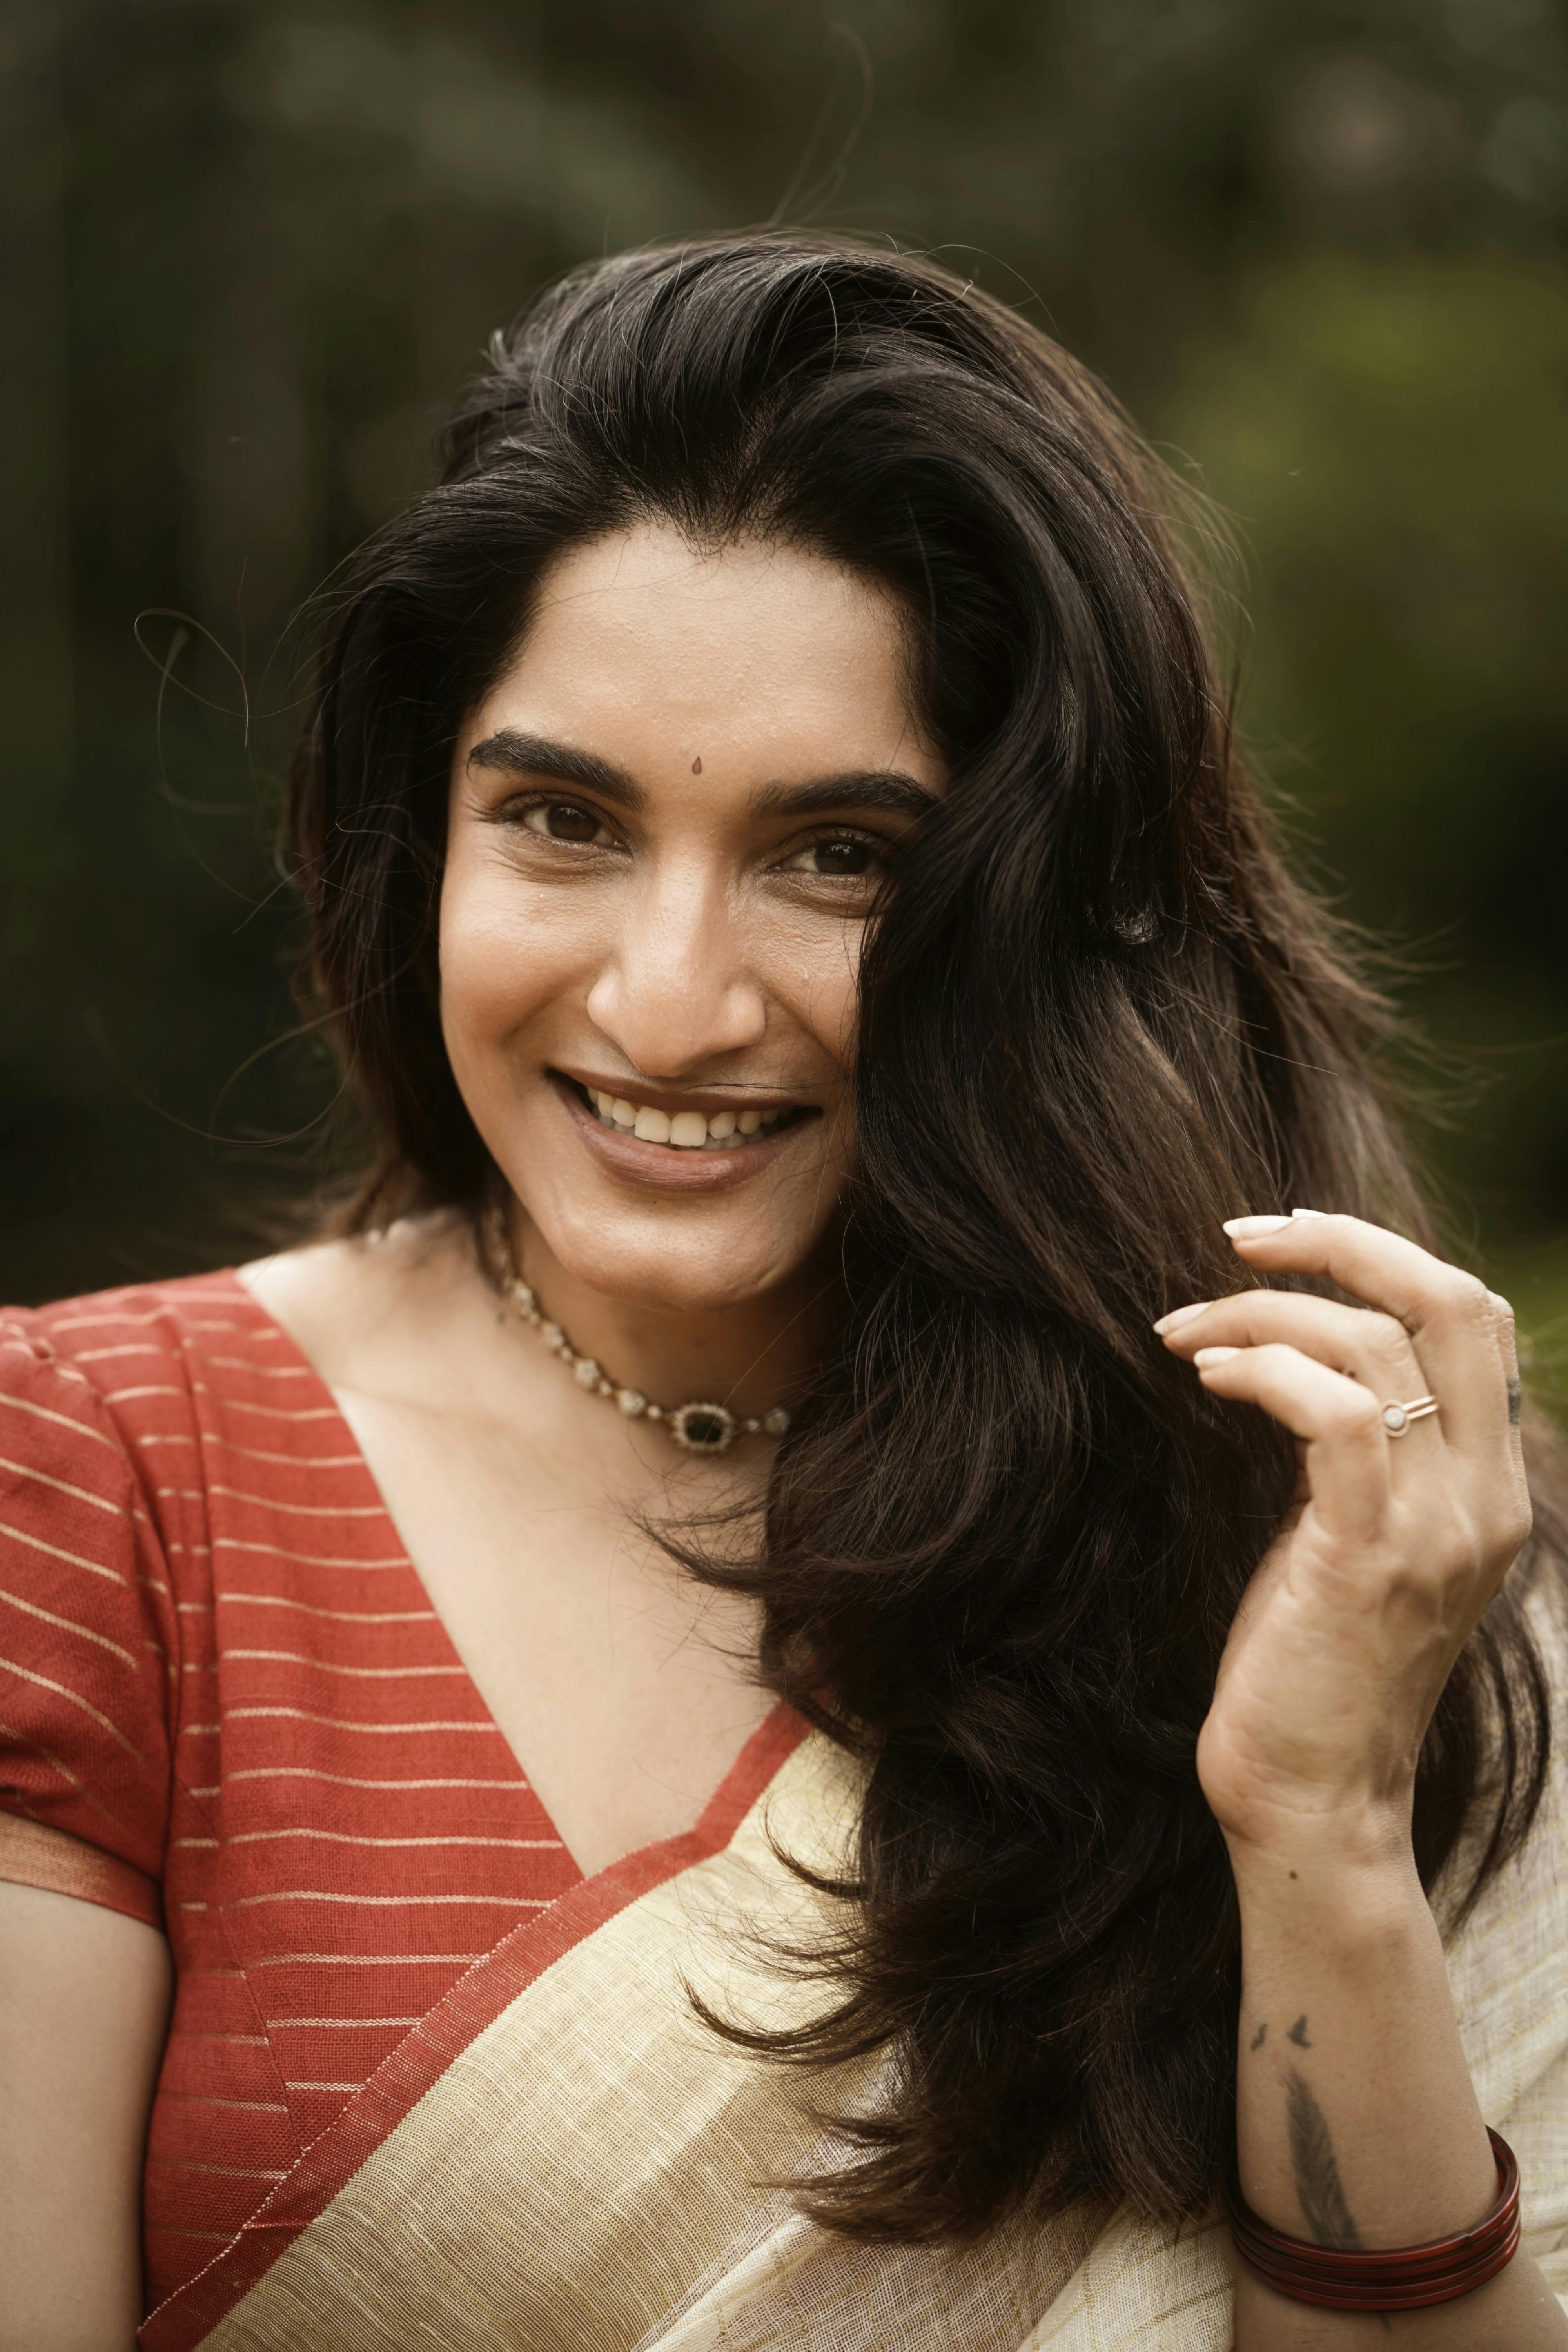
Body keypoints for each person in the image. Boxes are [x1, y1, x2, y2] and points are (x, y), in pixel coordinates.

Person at [2, 232, 1565, 2352]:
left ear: (1049, 916)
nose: (666, 1001)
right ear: (414, 842)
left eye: (841, 857)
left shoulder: (1339, 1540)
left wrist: (1322, 1826)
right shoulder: (90, 1483)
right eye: (559, 820)